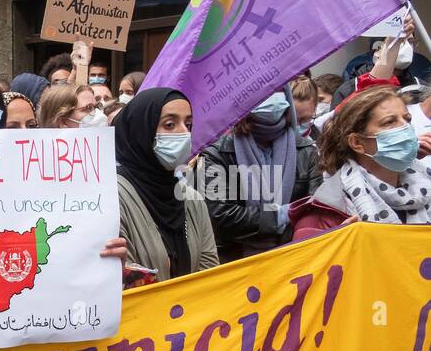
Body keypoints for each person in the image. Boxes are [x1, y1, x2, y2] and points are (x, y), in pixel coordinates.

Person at [288, 86, 431, 240]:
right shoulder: (323, 216)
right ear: (357, 142)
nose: (405, 127)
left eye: (407, 119)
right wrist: (339, 246)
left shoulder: (425, 185)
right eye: (389, 122)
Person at [196, 86, 321, 262]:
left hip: (292, 260)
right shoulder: (218, 153)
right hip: (235, 262)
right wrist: (280, 215)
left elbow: (316, 207)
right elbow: (219, 214)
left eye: (276, 89)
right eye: (262, 92)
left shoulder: (306, 150)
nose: (271, 99)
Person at [115, 88, 219, 281]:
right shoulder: (112, 198)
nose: (184, 133)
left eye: (188, 124)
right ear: (141, 130)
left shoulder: (192, 200)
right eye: (170, 125)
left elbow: (208, 278)